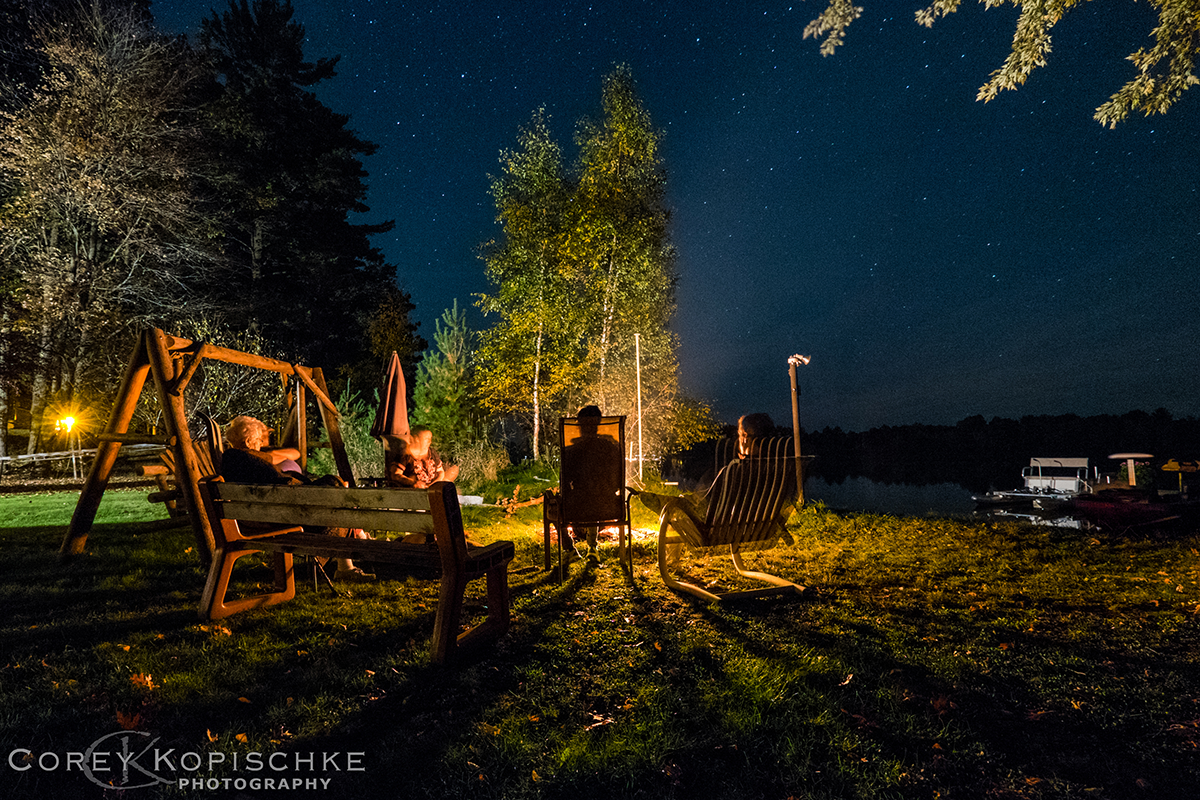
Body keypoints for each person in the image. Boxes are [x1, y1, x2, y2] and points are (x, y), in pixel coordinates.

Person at [221, 416, 373, 582]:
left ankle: (348, 563)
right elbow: (284, 486)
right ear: (250, 441)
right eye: (259, 439)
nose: (260, 444)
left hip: (259, 516)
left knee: (336, 501)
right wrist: (315, 483)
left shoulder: (234, 460)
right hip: (278, 519)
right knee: (336, 494)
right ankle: (357, 548)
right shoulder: (251, 460)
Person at [559, 405, 623, 558]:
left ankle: (569, 548)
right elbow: (618, 482)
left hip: (576, 509)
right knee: (596, 495)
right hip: (610, 507)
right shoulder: (612, 448)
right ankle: (592, 548)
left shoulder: (571, 451)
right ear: (599, 424)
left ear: (579, 424)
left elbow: (565, 485)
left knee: (553, 506)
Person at [392, 427, 460, 489]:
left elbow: (440, 471)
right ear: (416, 439)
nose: (429, 442)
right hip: (416, 492)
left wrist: (434, 485)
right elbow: (396, 475)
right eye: (426, 439)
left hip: (433, 490)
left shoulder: (431, 452)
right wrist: (412, 483)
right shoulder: (405, 455)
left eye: (430, 439)